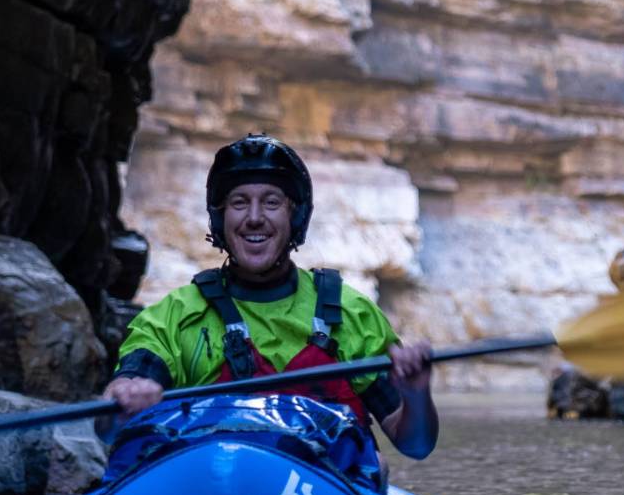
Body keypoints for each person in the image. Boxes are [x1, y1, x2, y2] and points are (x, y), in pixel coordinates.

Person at [97, 134, 438, 461]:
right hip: (211, 494)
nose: (255, 217)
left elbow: (416, 445)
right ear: (221, 218)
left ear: (295, 215)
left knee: (379, 466)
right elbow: (109, 423)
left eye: (271, 202)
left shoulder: (351, 314)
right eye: (239, 202)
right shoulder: (173, 316)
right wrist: (124, 397)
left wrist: (416, 394)